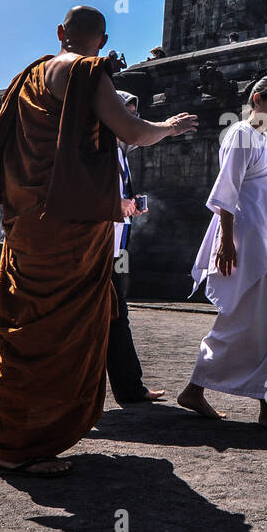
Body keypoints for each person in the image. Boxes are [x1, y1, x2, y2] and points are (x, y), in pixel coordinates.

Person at [0, 6, 198, 477]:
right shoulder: (88, 72)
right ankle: (22, 445)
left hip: (30, 221)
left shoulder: (31, 75)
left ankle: (10, 435)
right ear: (103, 40)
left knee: (27, 325)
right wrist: (170, 127)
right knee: (58, 332)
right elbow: (130, 131)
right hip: (67, 226)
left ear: (59, 33)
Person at [179, 75, 267, 433]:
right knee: (259, 327)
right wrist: (225, 240)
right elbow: (227, 191)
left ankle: (196, 389)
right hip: (244, 245)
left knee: (246, 324)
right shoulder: (240, 133)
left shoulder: (263, 140)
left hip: (263, 245)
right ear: (256, 99)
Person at [106, 90, 166, 405]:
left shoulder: (120, 152)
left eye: (133, 116)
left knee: (119, 314)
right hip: (98, 249)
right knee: (99, 317)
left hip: (119, 247)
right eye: (125, 116)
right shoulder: (97, 149)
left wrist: (130, 206)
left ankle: (130, 387)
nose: (131, 123)